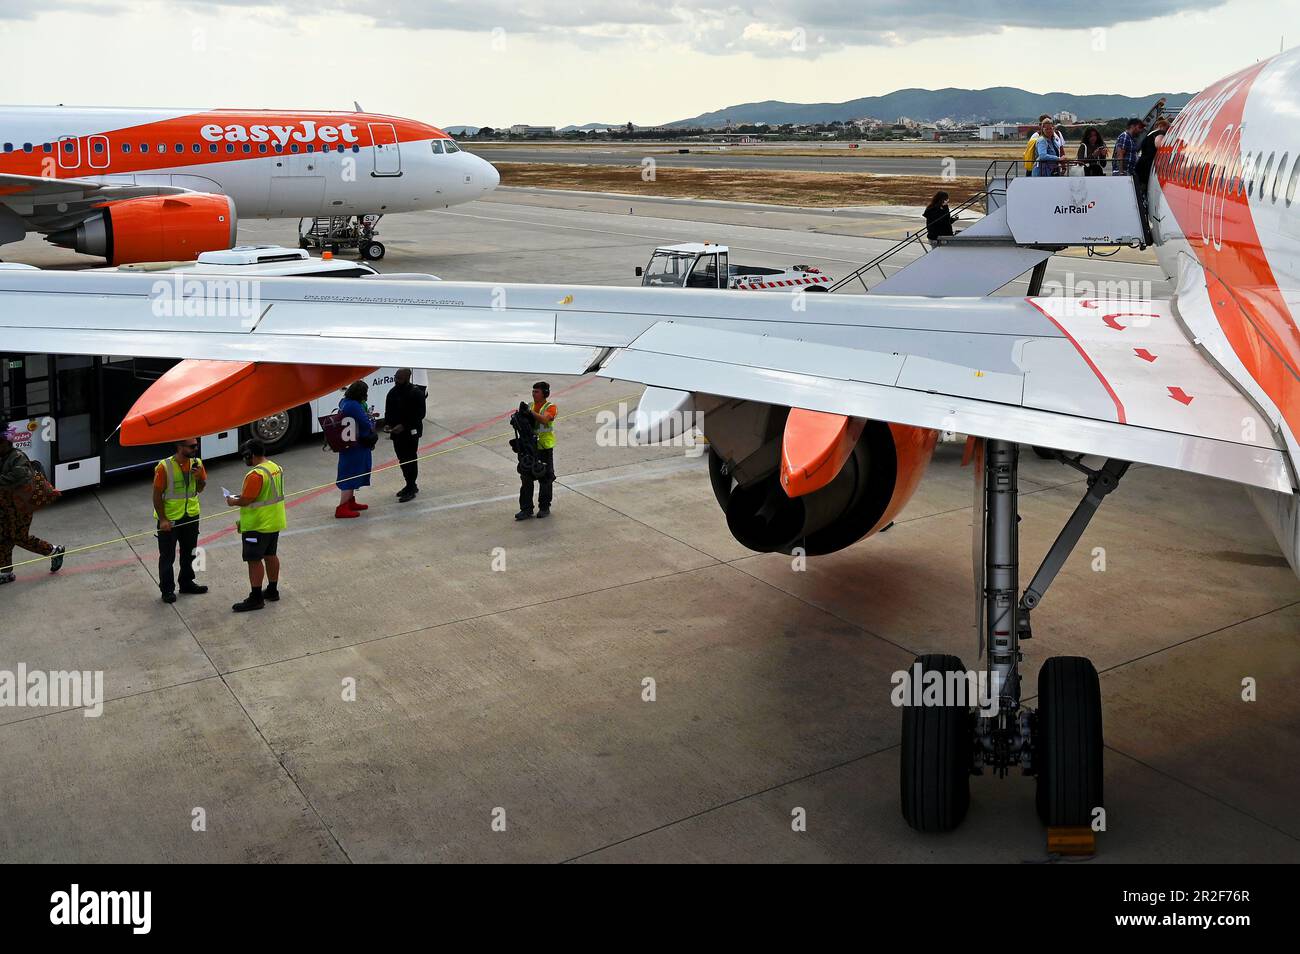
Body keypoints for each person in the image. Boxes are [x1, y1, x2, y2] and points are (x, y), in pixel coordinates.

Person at [223, 439, 285, 613]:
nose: (245, 460)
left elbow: (246, 500)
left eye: (245, 456)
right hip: (274, 521)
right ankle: (272, 590)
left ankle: (256, 597)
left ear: (251, 454)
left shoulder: (255, 474)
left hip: (257, 525)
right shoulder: (275, 468)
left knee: (253, 559)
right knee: (270, 555)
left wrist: (232, 501)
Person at [0, 425, 64, 584]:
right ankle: (5, 573)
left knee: (18, 537)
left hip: (20, 507)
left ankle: (54, 550)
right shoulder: (2, 457)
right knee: (2, 538)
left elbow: (19, 477)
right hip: (4, 507)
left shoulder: (17, 457)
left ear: (6, 442)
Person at [152, 437, 208, 603]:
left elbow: (200, 488)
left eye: (196, 445)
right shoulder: (164, 467)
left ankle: (186, 582)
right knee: (167, 556)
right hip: (170, 518)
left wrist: (199, 478)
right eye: (191, 446)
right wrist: (162, 519)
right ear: (179, 447)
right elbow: (156, 495)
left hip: (191, 514)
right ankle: (167, 589)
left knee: (190, 552)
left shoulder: (197, 463)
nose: (195, 449)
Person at [379, 368, 427, 503]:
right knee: (402, 459)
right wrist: (388, 424)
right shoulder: (393, 392)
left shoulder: (416, 393)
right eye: (396, 377)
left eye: (399, 378)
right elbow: (388, 411)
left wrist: (404, 425)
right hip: (397, 433)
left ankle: (411, 486)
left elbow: (420, 414)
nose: (396, 380)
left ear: (407, 378)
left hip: (411, 433)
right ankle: (410, 484)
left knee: (410, 458)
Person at [515, 381, 557, 521]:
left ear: (545, 393)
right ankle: (526, 509)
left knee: (545, 478)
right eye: (533, 391)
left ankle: (544, 507)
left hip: (544, 448)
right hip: (530, 448)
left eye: (537, 391)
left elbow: (545, 420)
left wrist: (530, 413)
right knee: (526, 478)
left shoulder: (550, 407)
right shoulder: (531, 406)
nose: (533, 394)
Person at [335, 379, 377, 518]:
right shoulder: (354, 406)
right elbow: (365, 423)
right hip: (356, 446)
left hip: (348, 444)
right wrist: (371, 420)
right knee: (351, 474)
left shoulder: (344, 402)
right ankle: (342, 507)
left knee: (352, 472)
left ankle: (349, 501)